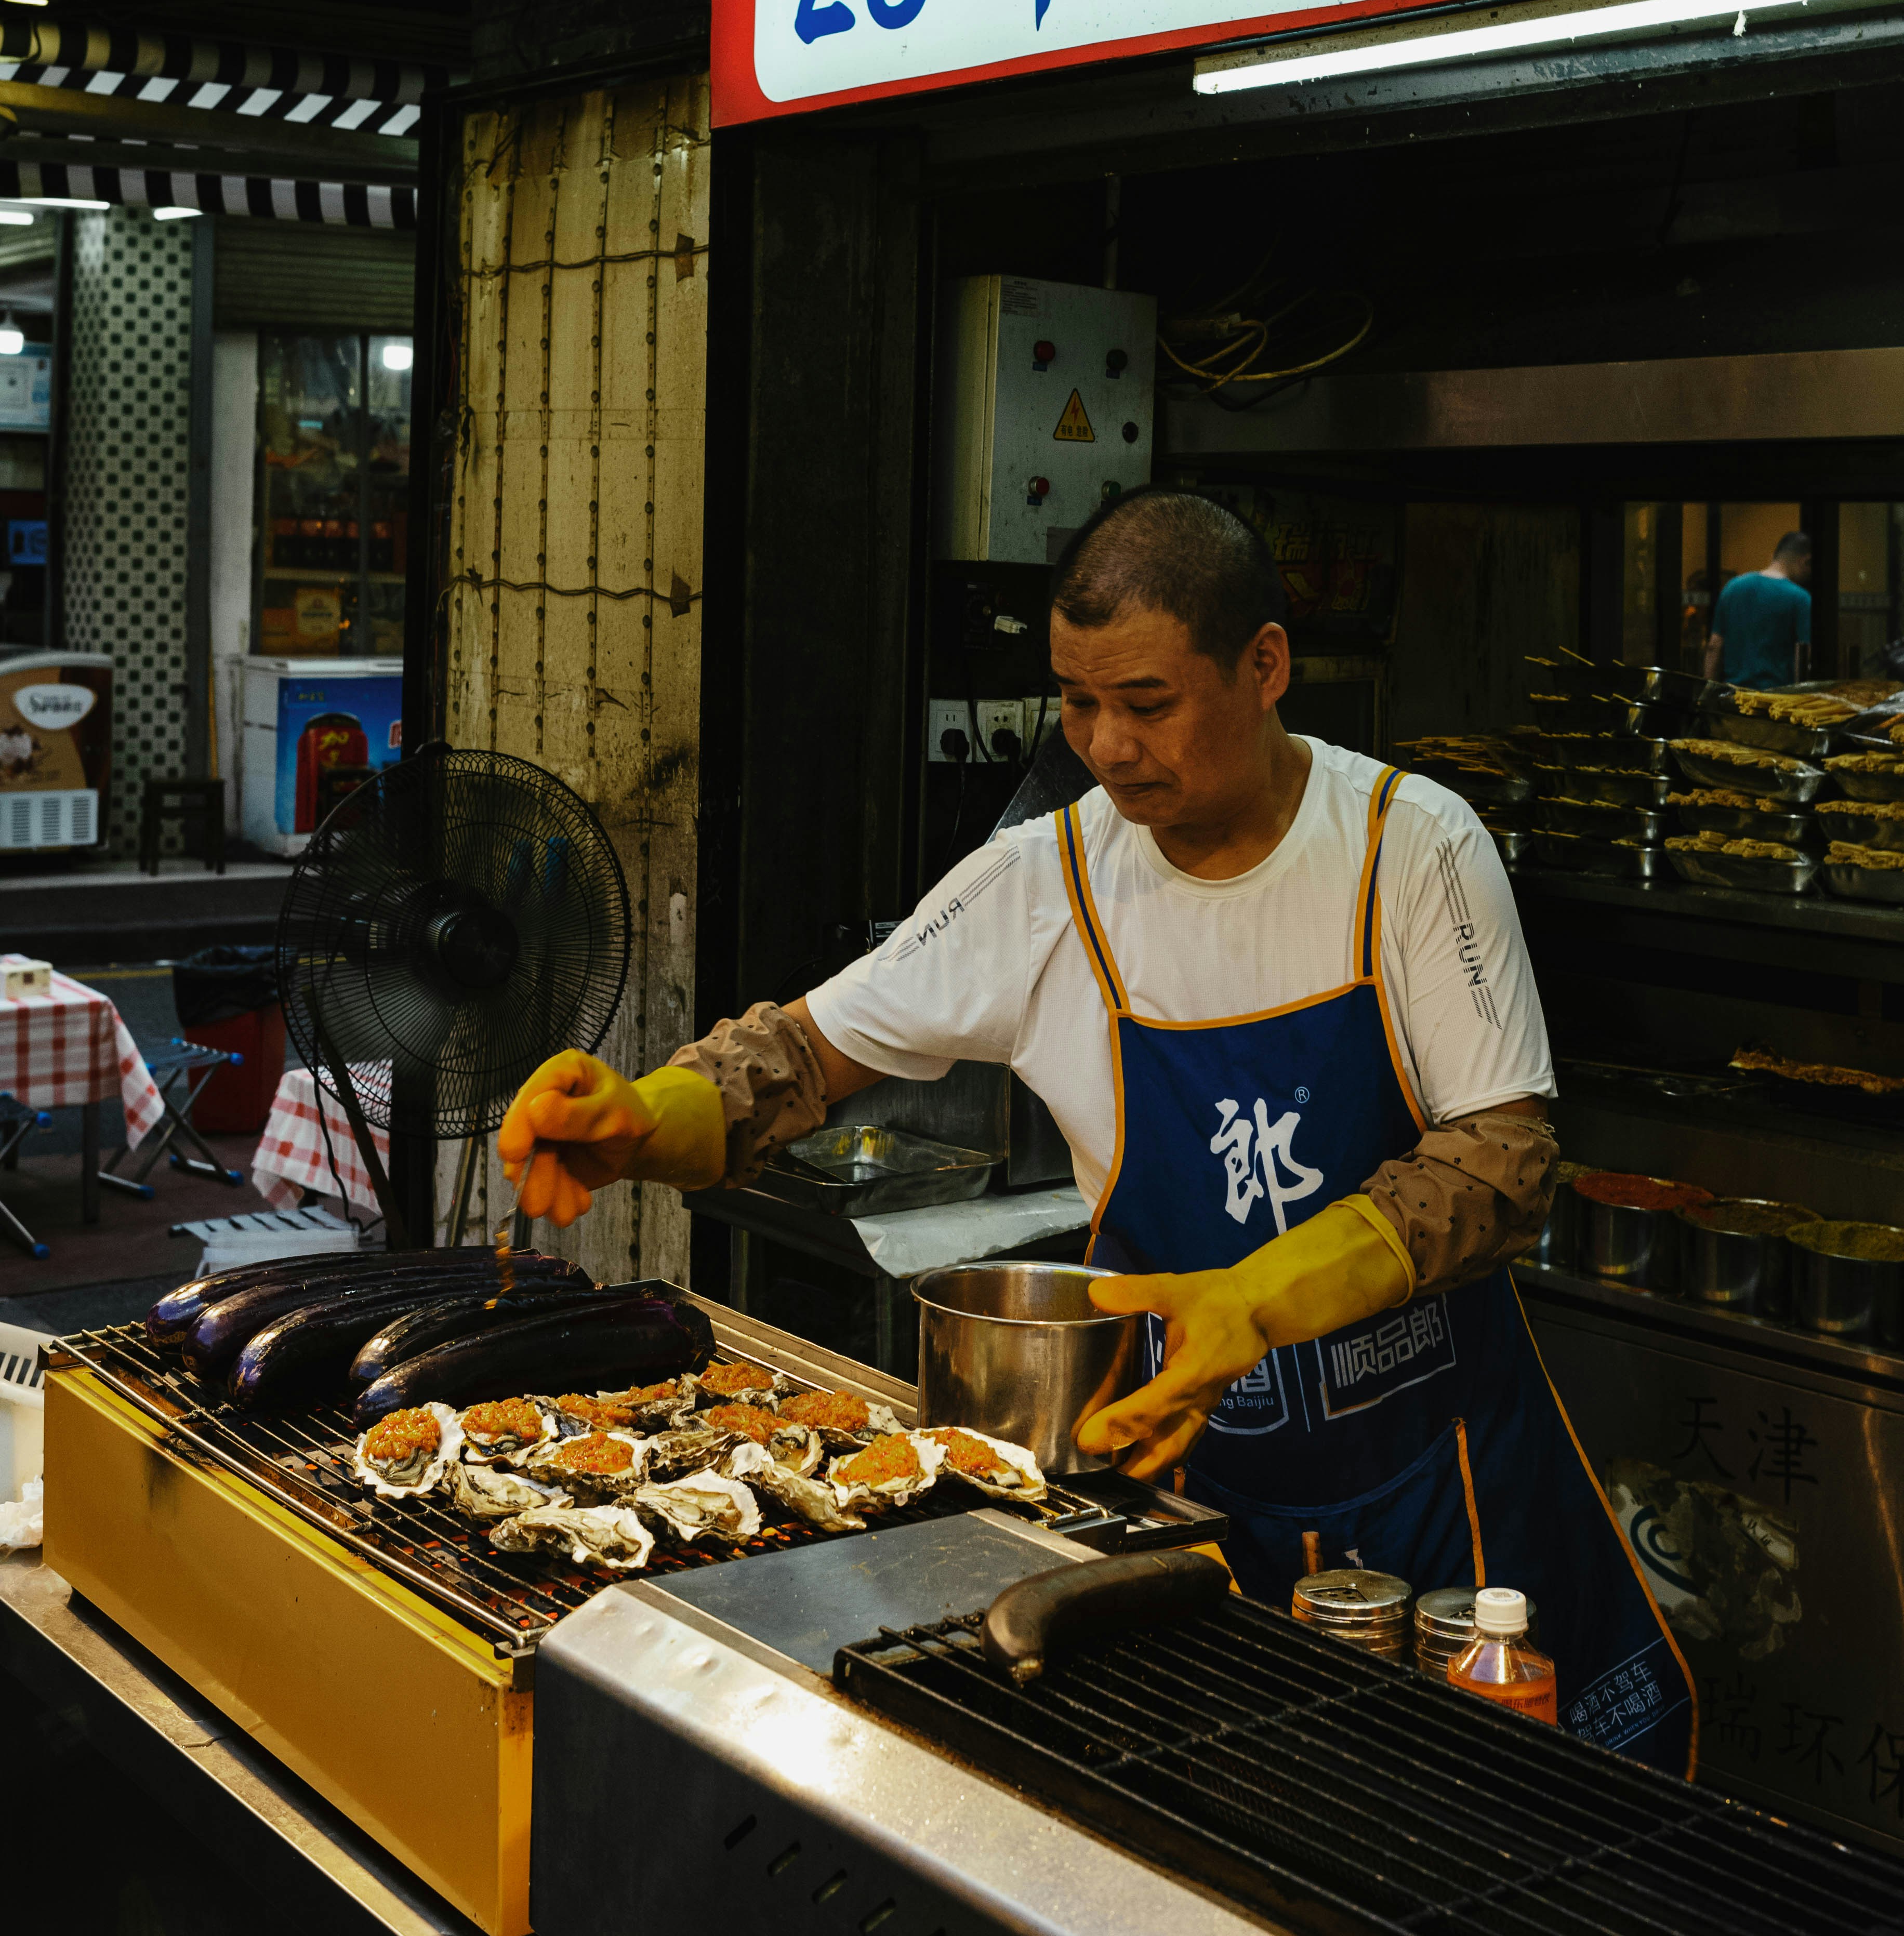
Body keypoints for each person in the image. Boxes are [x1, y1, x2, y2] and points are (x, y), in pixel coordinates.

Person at [498, 490, 1695, 1774]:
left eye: (1147, 700)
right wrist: (647, 1114)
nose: (1108, 745)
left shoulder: (1412, 847)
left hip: (1447, 1480)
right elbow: (796, 1056)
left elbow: (1501, 1158)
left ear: (1266, 665)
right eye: (1075, 702)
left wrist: (1262, 1297)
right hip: (1184, 1489)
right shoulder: (1044, 877)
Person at [1704, 531, 1813, 685]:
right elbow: (1804, 656)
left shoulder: (1733, 587)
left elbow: (1714, 647)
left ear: (1774, 557)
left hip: (1733, 696)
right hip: (1776, 700)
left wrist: (1709, 692)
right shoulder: (1801, 599)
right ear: (1805, 561)